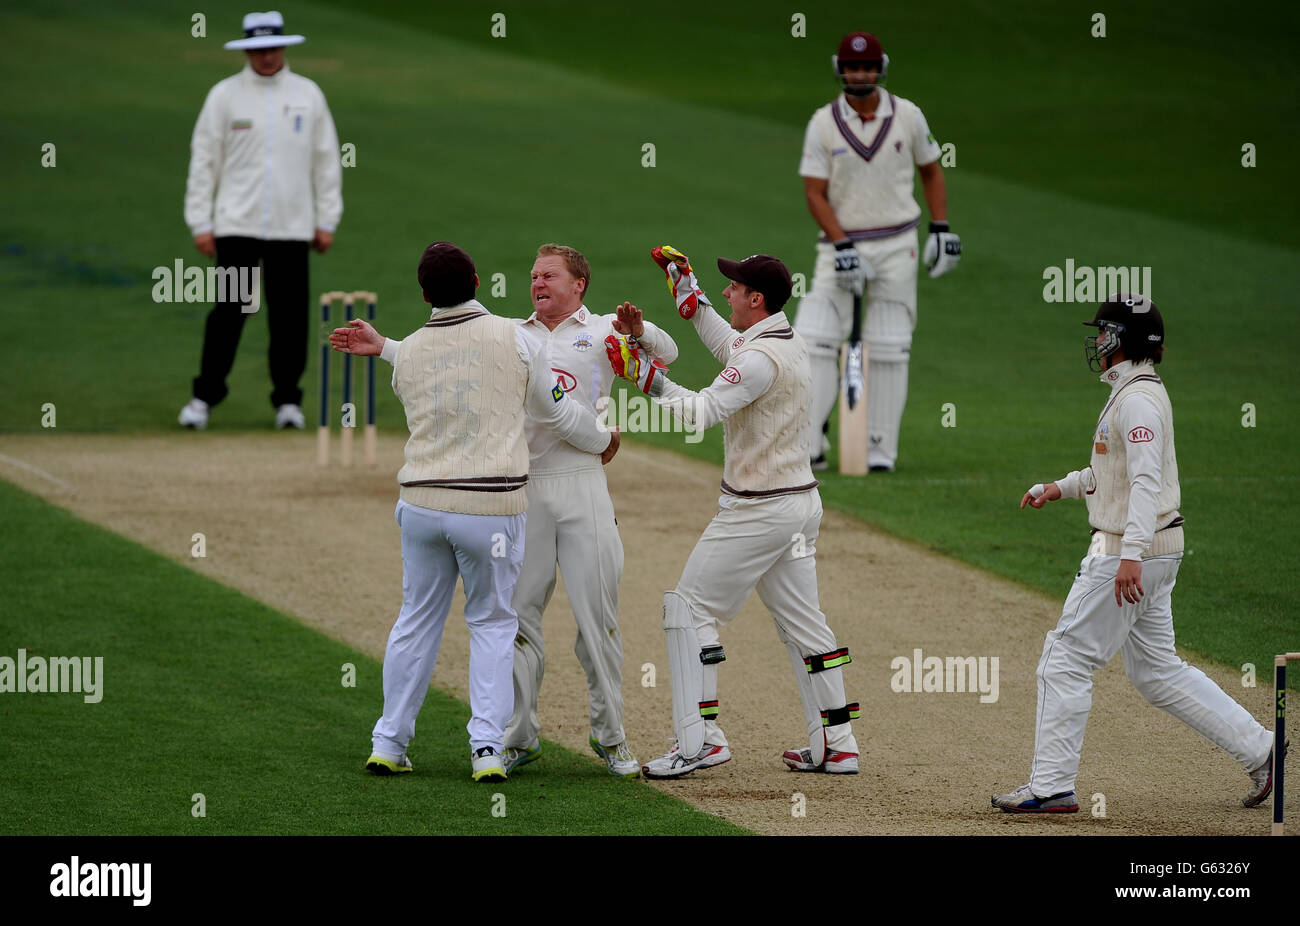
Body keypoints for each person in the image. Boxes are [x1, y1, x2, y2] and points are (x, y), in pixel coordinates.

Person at [328, 241, 614, 782]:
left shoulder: (408, 349)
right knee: (492, 622)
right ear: (479, 281)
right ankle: (486, 749)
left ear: (422, 293)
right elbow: (554, 412)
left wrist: (385, 345)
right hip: (490, 507)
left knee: (415, 622)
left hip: (421, 503)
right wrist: (603, 437)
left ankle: (388, 742)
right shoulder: (516, 336)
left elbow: (440, 364)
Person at [992, 294, 1277, 813]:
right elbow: (1114, 474)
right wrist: (1060, 486)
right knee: (1157, 671)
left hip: (1128, 553)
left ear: (1125, 341)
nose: (1097, 342)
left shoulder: (1138, 400)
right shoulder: (1132, 392)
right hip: (1154, 550)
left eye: (1104, 332)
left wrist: (1131, 555)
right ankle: (1262, 749)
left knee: (1066, 659)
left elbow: (1146, 481)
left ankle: (1051, 786)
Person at [605, 246, 860, 779]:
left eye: (734, 287)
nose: (726, 292)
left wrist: (643, 374)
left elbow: (700, 410)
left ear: (757, 299)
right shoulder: (780, 339)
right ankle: (837, 743)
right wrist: (685, 289)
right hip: (796, 505)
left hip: (759, 511)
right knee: (804, 626)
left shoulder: (759, 359)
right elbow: (727, 341)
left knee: (688, 610)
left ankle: (699, 742)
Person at [502, 245, 678, 778]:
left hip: (584, 483)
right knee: (517, 617)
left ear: (578, 283)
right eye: (533, 275)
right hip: (525, 487)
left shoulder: (604, 329)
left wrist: (640, 330)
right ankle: (518, 737)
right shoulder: (514, 333)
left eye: (548, 275)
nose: (537, 282)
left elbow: (666, 353)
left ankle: (611, 737)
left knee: (597, 619)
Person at [793, 31, 960, 472]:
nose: (860, 74)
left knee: (889, 345)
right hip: (838, 244)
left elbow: (931, 172)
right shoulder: (822, 123)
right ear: (840, 68)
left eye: (866, 66)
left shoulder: (908, 116)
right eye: (852, 66)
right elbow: (814, 192)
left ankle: (878, 450)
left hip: (896, 242)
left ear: (880, 67)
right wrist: (843, 244)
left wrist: (940, 228)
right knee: (813, 340)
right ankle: (809, 445)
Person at [178, 11, 342, 431]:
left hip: (292, 226)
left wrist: (327, 218)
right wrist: (201, 221)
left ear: (283, 47)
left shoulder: (308, 94)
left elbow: (326, 162)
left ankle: (287, 401)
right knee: (231, 309)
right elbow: (204, 161)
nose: (267, 56)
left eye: (273, 47)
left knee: (288, 316)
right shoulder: (225, 96)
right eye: (258, 49)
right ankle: (203, 398)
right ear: (247, 49)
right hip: (237, 225)